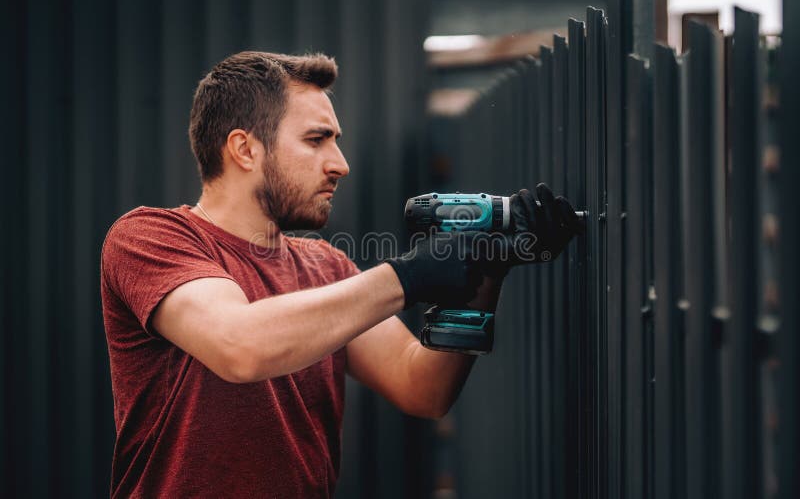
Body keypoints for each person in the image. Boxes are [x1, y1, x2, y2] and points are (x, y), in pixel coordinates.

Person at [100, 51, 582, 498]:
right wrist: (409, 276)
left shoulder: (326, 267)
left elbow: (423, 386)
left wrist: (486, 272)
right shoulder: (150, 238)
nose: (341, 165)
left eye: (336, 141)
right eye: (317, 140)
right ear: (245, 150)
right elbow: (239, 346)